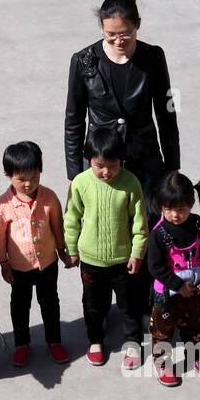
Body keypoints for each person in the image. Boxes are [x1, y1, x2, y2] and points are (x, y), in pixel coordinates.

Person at [64, 0, 180, 212]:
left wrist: (172, 165)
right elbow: (74, 120)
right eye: (111, 34)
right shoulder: (83, 61)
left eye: (125, 33)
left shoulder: (153, 57)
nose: (119, 40)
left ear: (137, 24)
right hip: (101, 160)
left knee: (148, 225)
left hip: (145, 160)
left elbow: (166, 112)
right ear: (102, 28)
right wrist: (74, 172)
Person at [63, 126, 149, 369]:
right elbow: (71, 218)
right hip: (90, 260)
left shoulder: (130, 183)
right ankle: (95, 340)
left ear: (122, 160)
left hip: (123, 261)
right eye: (99, 165)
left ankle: (132, 341)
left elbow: (140, 222)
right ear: (89, 159)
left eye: (113, 165)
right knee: (92, 304)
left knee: (129, 304)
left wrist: (136, 252)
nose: (106, 172)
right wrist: (71, 249)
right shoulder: (80, 183)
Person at [0, 140, 69, 367]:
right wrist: (3, 263)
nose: (29, 184)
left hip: (48, 263)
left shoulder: (49, 197)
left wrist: (62, 249)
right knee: (20, 305)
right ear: (8, 175)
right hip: (18, 267)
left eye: (34, 177)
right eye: (21, 179)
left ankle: (54, 341)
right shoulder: (2, 205)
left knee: (50, 302)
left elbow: (57, 225)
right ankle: (21, 344)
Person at [148, 172, 200, 387]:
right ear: (160, 206)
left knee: (193, 326)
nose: (175, 215)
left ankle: (195, 356)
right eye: (168, 209)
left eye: (181, 209)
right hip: (167, 294)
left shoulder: (199, 225)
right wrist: (177, 285)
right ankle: (162, 363)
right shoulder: (159, 233)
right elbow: (155, 266)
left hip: (194, 291)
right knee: (163, 330)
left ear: (191, 203)